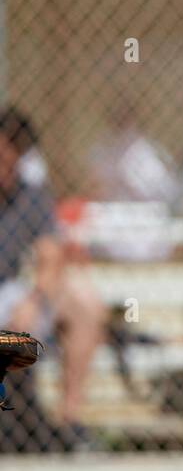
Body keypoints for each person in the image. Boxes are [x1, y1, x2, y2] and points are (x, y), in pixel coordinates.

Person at [0, 108, 105, 446]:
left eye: (9, 159)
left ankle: (68, 421)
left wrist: (34, 300)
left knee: (84, 302)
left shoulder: (30, 194)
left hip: (9, 293)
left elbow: (50, 253)